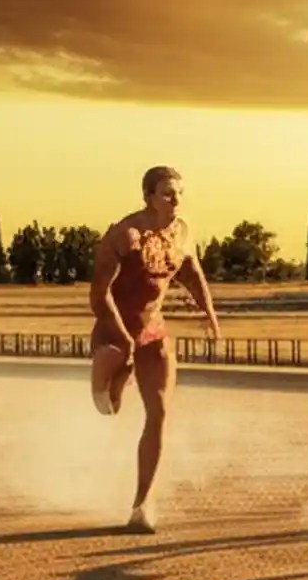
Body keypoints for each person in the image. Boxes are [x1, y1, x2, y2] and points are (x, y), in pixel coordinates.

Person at [89, 166, 220, 532]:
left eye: (179, 192)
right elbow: (98, 296)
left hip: (153, 333)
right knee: (108, 408)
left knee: (159, 412)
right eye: (166, 193)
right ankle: (112, 379)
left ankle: (142, 504)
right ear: (148, 197)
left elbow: (192, 270)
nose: (175, 199)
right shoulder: (125, 235)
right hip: (114, 332)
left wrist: (209, 312)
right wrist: (123, 338)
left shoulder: (181, 232)